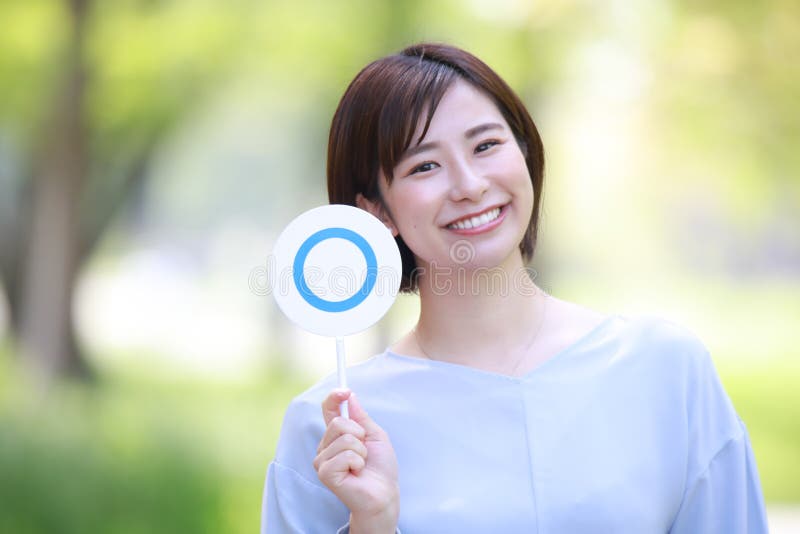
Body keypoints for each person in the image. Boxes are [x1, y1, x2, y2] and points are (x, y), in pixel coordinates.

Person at [261, 42, 768, 533]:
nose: (470, 185)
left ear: (525, 154)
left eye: (486, 146)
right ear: (376, 211)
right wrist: (372, 525)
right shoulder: (335, 430)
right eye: (425, 166)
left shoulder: (666, 370)